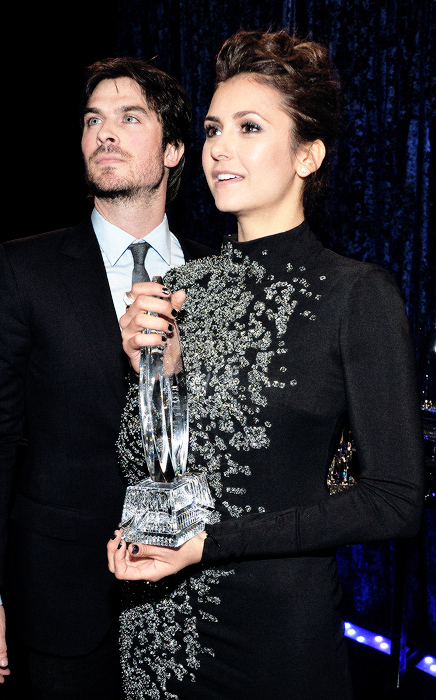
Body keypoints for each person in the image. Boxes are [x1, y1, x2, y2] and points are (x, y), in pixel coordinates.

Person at [107, 30, 425, 699]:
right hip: (161, 635)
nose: (219, 147)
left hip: (275, 645)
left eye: (250, 127)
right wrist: (160, 382)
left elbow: (394, 502)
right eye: (216, 128)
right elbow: (160, 467)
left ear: (308, 154)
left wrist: (207, 544)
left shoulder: (355, 295)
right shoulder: (177, 288)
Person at [0, 57, 212, 698]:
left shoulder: (218, 278)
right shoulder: (24, 270)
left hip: (202, 595)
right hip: (64, 596)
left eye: (130, 118)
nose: (105, 134)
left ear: (174, 149)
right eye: (93, 120)